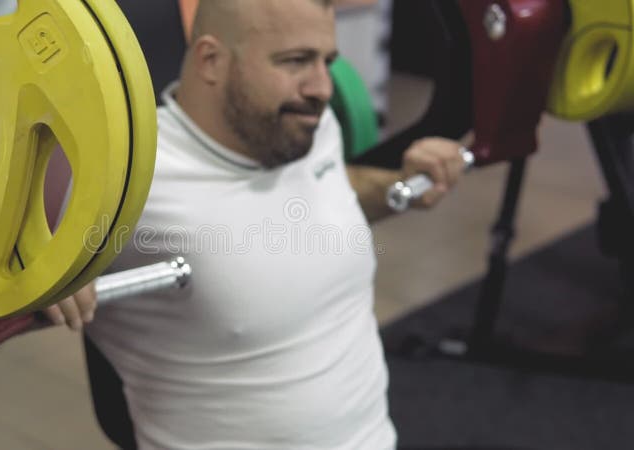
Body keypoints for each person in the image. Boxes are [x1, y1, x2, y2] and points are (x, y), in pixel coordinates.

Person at [77, 0, 467, 448]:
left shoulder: (308, 128)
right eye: (296, 60)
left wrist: (399, 185)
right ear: (211, 60)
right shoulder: (123, 177)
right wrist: (48, 285)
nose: (322, 86)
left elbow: (325, 195)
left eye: (328, 61)